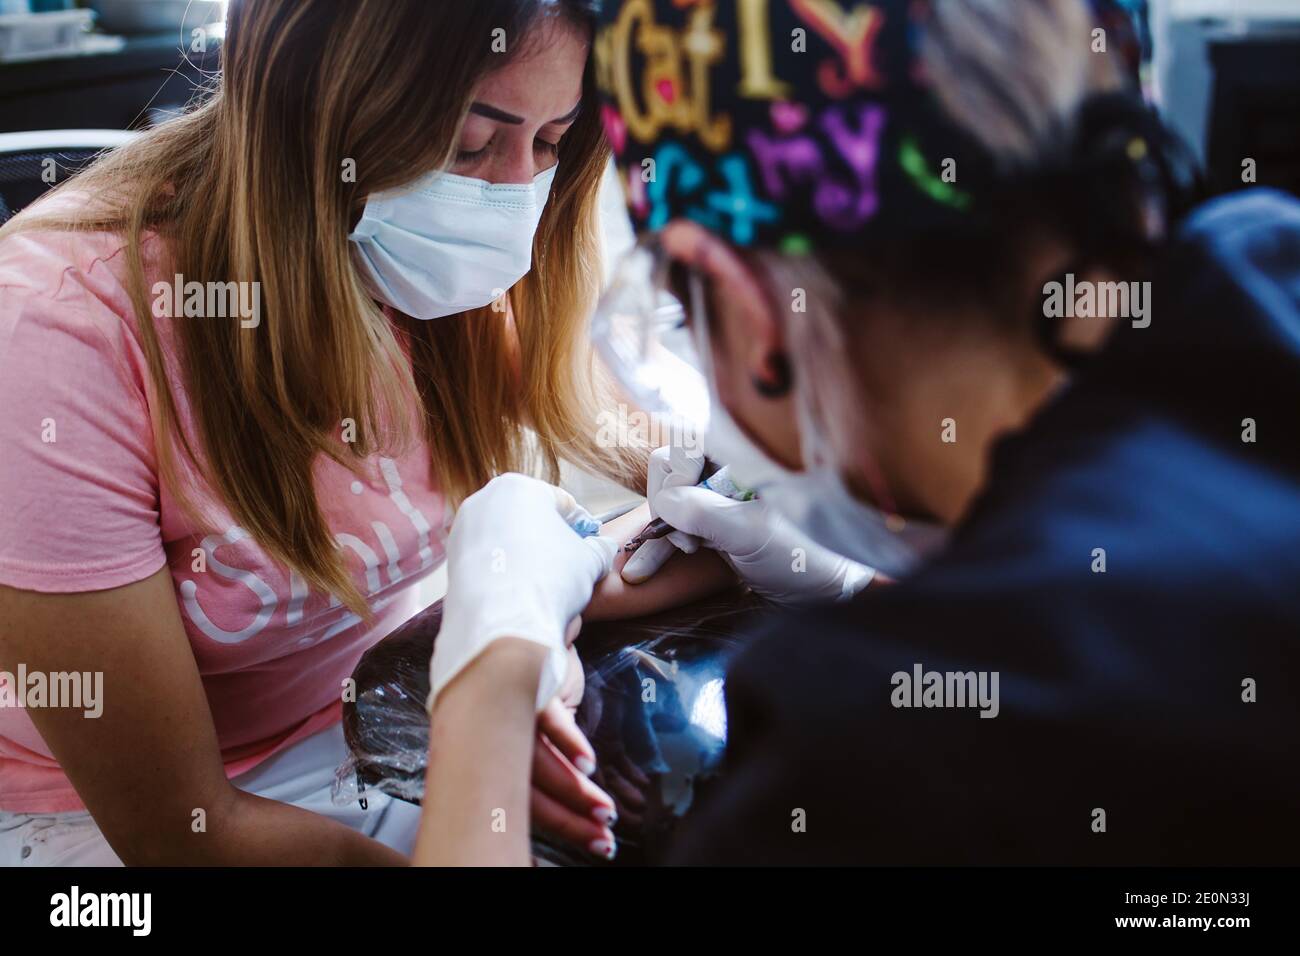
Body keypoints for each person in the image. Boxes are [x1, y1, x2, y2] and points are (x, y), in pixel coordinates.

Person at [410, 0, 1299, 865]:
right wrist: (865, 575)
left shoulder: (862, 750)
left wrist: (488, 668)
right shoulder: (1266, 261)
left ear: (753, 316)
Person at [0, 0, 733, 867]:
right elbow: (185, 833)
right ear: (322, 108)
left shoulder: (431, 270)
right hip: (133, 818)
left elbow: (666, 460)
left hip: (387, 702)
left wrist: (739, 502)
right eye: (467, 144)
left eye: (550, 141)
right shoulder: (54, 338)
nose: (510, 197)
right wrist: (487, 722)